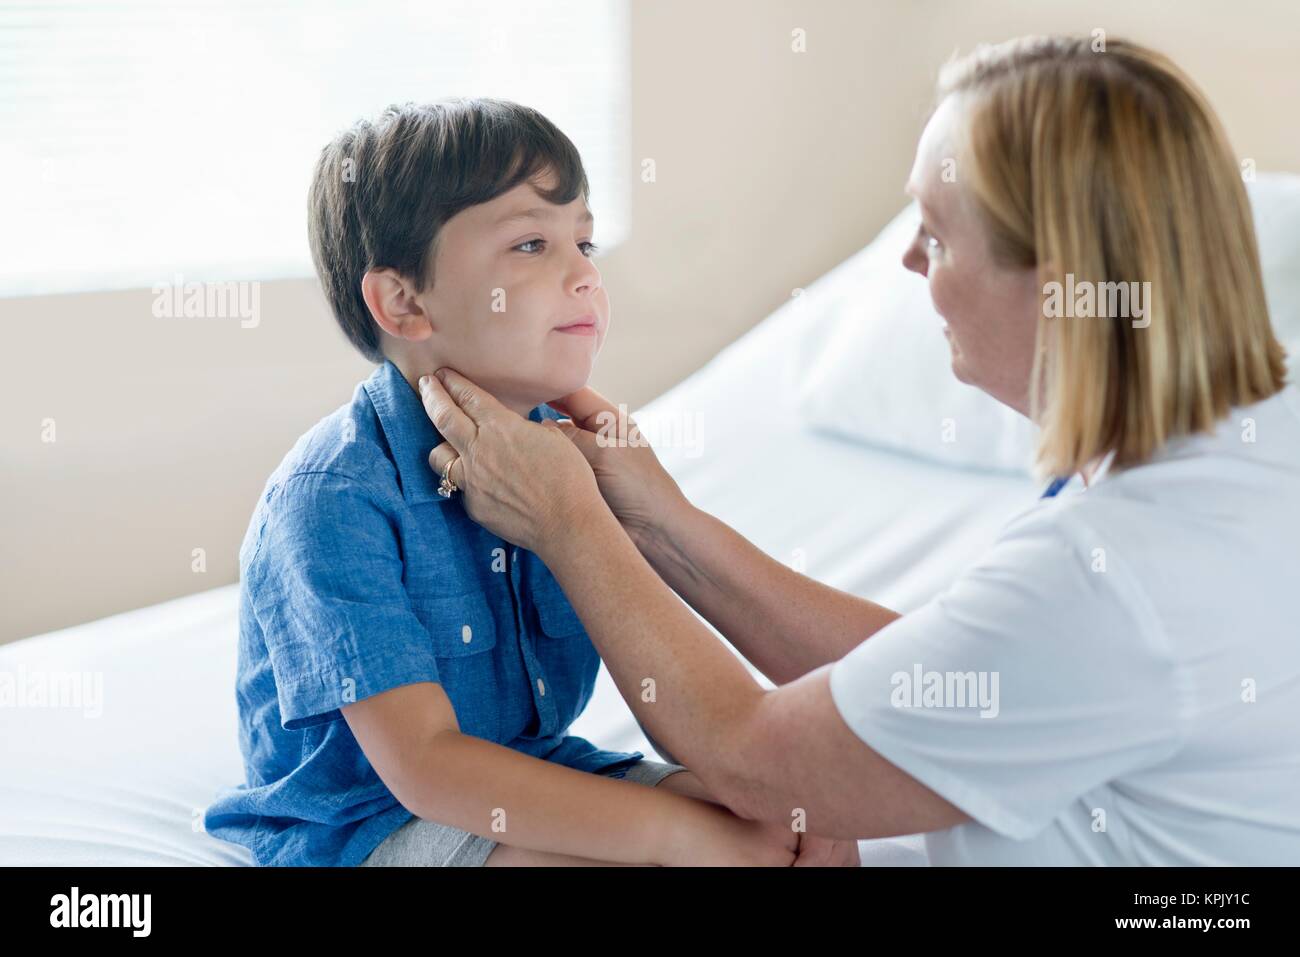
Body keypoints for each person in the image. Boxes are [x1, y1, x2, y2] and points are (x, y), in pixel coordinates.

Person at [418, 37, 1300, 865]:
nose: (908, 261)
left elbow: (755, 762)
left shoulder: (1112, 575)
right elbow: (961, 679)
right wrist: (662, 523)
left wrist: (573, 530)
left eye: (941, 235)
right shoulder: (1243, 449)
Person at [203, 97, 852, 866]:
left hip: (540, 766)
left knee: (803, 823)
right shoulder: (332, 497)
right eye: (533, 243)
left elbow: (680, 695)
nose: (584, 274)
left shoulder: (571, 461)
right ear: (404, 301)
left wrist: (729, 815)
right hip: (372, 821)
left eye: (585, 239)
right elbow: (428, 765)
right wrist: (676, 835)